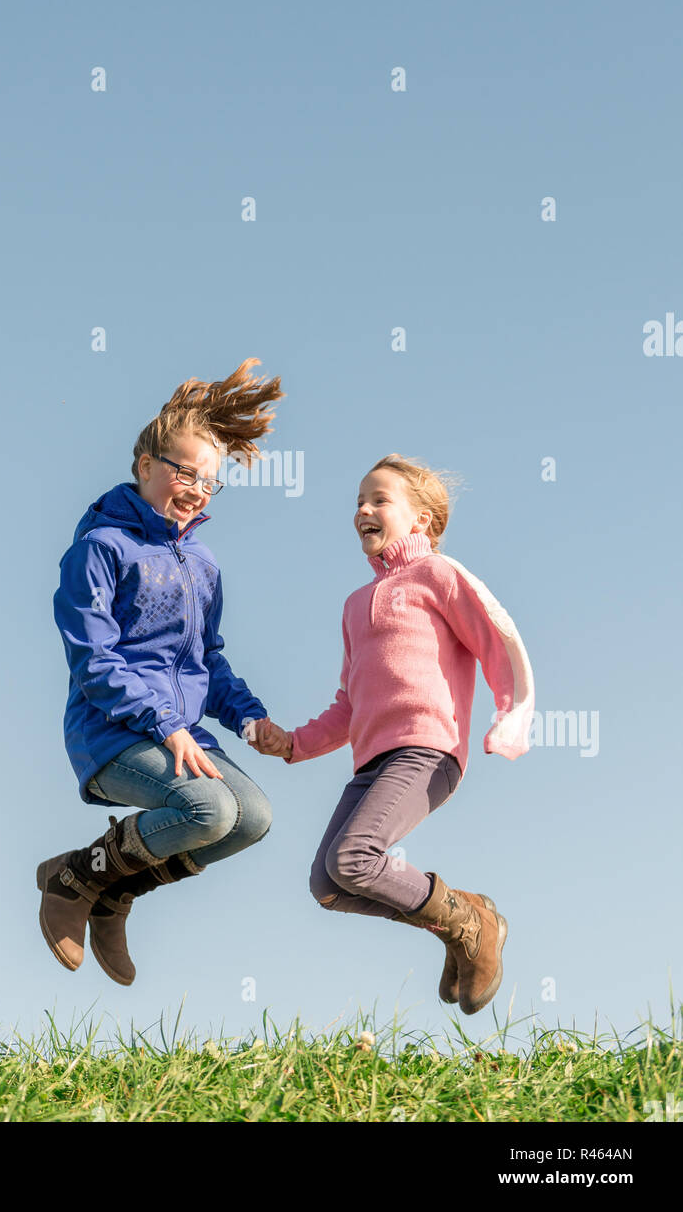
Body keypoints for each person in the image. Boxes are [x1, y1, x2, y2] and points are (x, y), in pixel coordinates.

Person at [253, 453, 534, 1015]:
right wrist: (294, 743)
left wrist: (512, 714)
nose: (364, 509)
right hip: (370, 763)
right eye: (359, 500)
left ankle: (468, 924)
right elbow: (349, 703)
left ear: (422, 520)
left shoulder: (439, 575)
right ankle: (465, 917)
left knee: (355, 858)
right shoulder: (356, 605)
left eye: (380, 499)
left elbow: (496, 640)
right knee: (329, 886)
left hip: (428, 751)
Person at [37, 358, 284, 985]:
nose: (197, 489)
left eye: (209, 482)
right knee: (208, 811)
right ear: (145, 465)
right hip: (113, 732)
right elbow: (93, 657)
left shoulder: (202, 563)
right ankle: (75, 878)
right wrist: (165, 724)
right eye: (185, 471)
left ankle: (116, 894)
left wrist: (250, 717)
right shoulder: (100, 549)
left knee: (250, 818)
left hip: (178, 733)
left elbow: (208, 659)